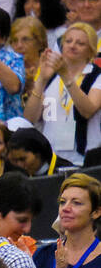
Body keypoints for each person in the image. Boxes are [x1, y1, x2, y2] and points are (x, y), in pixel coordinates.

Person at [25, 22, 101, 164]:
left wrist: (66, 75)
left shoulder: (96, 76)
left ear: (90, 50)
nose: (72, 46)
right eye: (68, 41)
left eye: (80, 43)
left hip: (83, 158)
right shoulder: (51, 76)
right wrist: (41, 79)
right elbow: (30, 118)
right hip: (51, 157)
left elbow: (87, 110)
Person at [34, 175, 101, 268]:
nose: (65, 208)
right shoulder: (43, 255)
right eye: (62, 202)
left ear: (96, 212)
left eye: (76, 203)